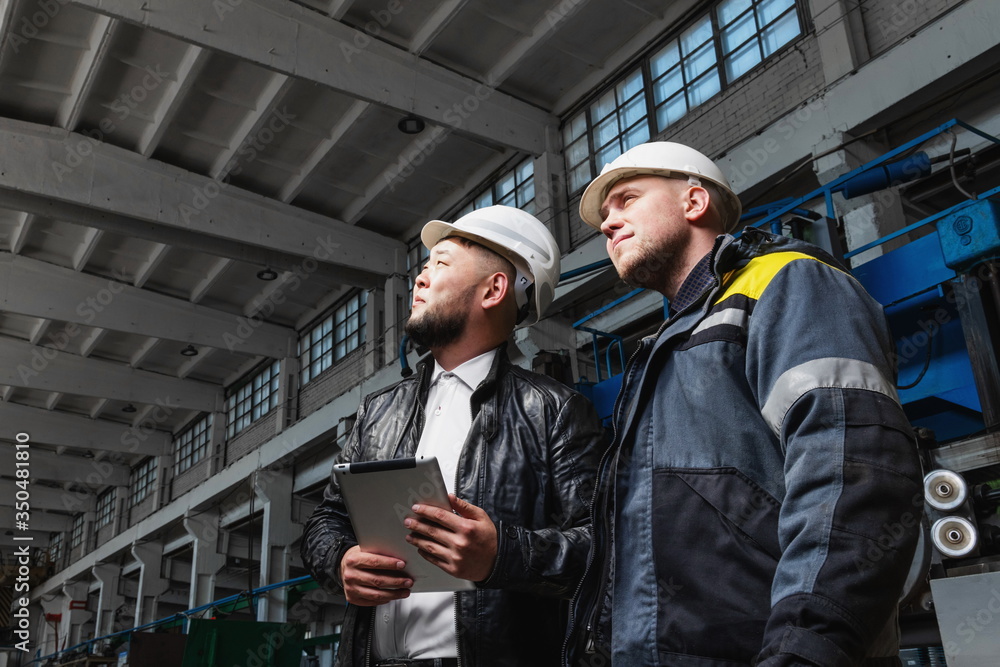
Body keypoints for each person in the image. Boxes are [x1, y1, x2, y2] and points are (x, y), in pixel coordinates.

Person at [564, 142, 923, 666]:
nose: (608, 224)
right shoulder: (669, 344)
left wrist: (804, 648)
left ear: (693, 202)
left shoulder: (789, 281)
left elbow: (852, 472)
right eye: (606, 214)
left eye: (626, 200)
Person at [301, 205, 605, 667]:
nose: (420, 280)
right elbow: (327, 519)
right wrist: (340, 560)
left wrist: (502, 554)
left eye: (440, 265)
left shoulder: (554, 412)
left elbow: (602, 548)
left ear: (494, 290)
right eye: (423, 268)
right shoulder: (378, 411)